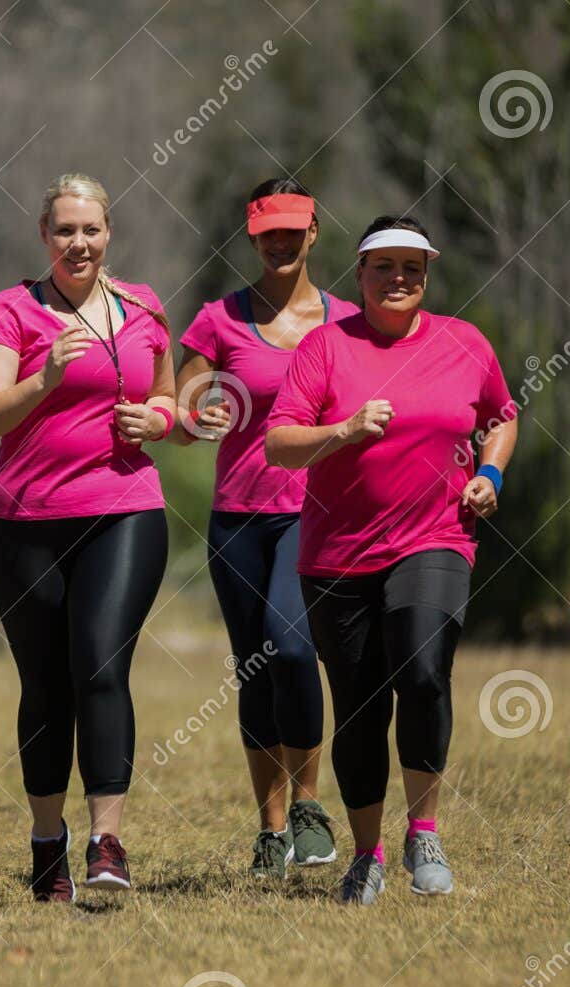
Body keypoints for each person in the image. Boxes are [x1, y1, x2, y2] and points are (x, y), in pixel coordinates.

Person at [265, 215, 518, 905]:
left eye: (412, 267)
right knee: (360, 705)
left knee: (425, 670)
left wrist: (489, 477)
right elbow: (280, 443)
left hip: (436, 538)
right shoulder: (325, 347)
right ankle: (369, 851)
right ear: (361, 274)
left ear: (427, 274)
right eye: (385, 267)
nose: (399, 278)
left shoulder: (464, 343)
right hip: (338, 556)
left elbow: (501, 416)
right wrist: (343, 431)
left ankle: (425, 830)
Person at [0, 173, 174, 902]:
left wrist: (162, 420)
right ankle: (47, 839)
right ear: (43, 237)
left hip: (125, 511)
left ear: (108, 231)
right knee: (46, 683)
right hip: (24, 523)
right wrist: (42, 380)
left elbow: (168, 396)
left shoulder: (145, 306)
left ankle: (105, 838)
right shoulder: (10, 309)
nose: (77, 242)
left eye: (90, 229)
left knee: (100, 664)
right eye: (64, 230)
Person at [173, 177, 357, 879]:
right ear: (252, 237)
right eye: (267, 232)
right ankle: (271, 829)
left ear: (313, 234)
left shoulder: (344, 320)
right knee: (253, 666)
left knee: (290, 645)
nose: (280, 243)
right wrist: (199, 414)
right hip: (237, 517)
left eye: (293, 231)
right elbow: (186, 409)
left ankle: (310, 808)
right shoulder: (218, 320)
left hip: (315, 512)